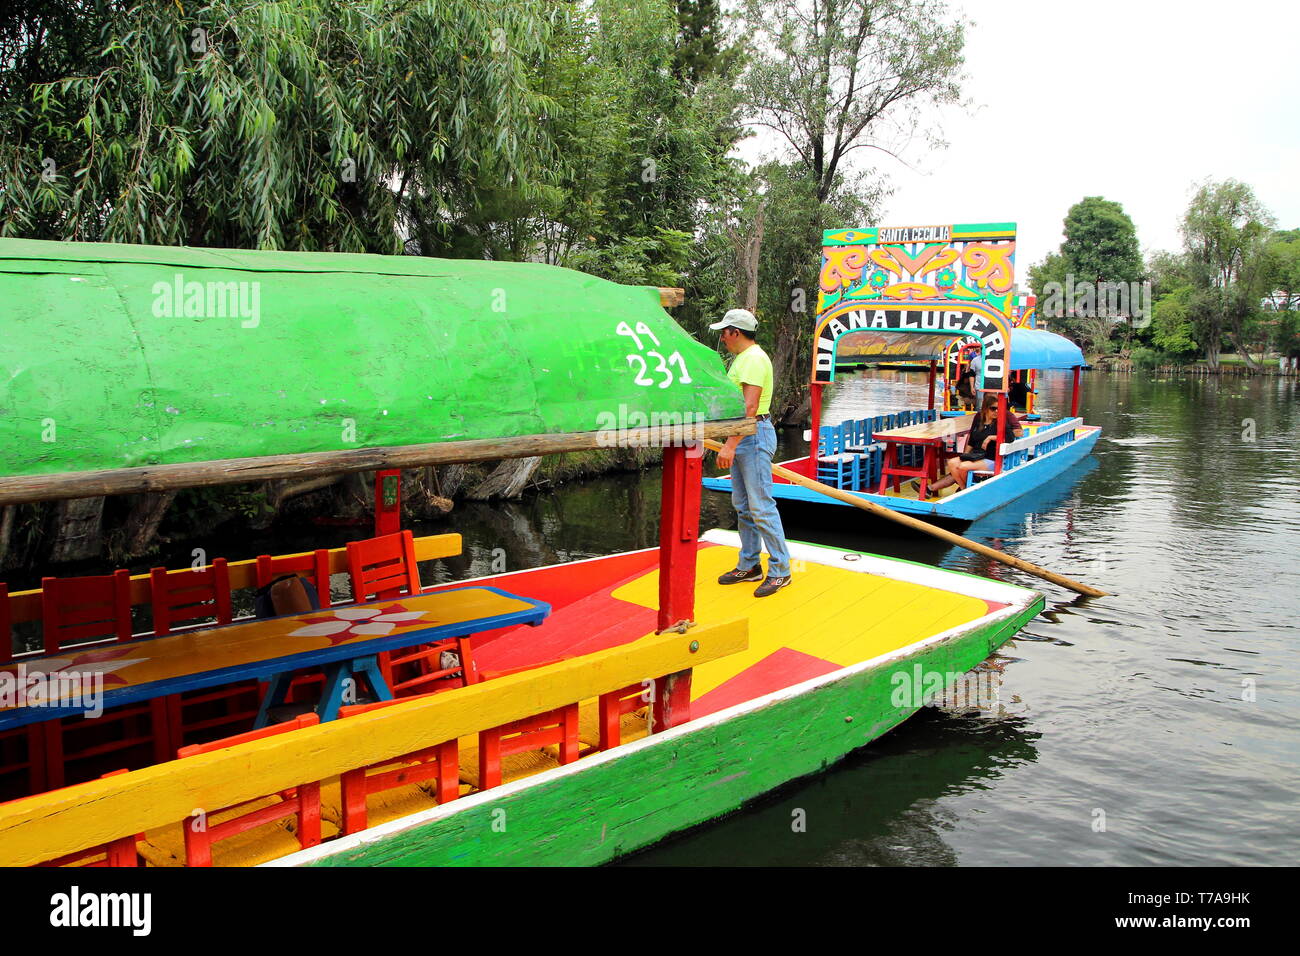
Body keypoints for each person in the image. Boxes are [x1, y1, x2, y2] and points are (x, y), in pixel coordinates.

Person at [709, 308, 792, 597]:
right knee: (743, 505)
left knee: (761, 506)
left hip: (752, 436)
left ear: (736, 332)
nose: (722, 337)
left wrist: (730, 445)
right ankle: (749, 564)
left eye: (725, 332)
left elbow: (749, 407)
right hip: (743, 436)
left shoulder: (754, 359)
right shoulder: (742, 359)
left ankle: (781, 570)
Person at [926, 394, 1022, 497]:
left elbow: (1010, 437)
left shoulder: (1001, 422)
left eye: (999, 409)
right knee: (952, 462)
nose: (996, 411)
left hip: (991, 459)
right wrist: (964, 456)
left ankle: (964, 491)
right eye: (993, 408)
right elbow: (971, 440)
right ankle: (964, 490)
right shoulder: (978, 420)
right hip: (976, 456)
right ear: (985, 408)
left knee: (963, 467)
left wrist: (991, 437)